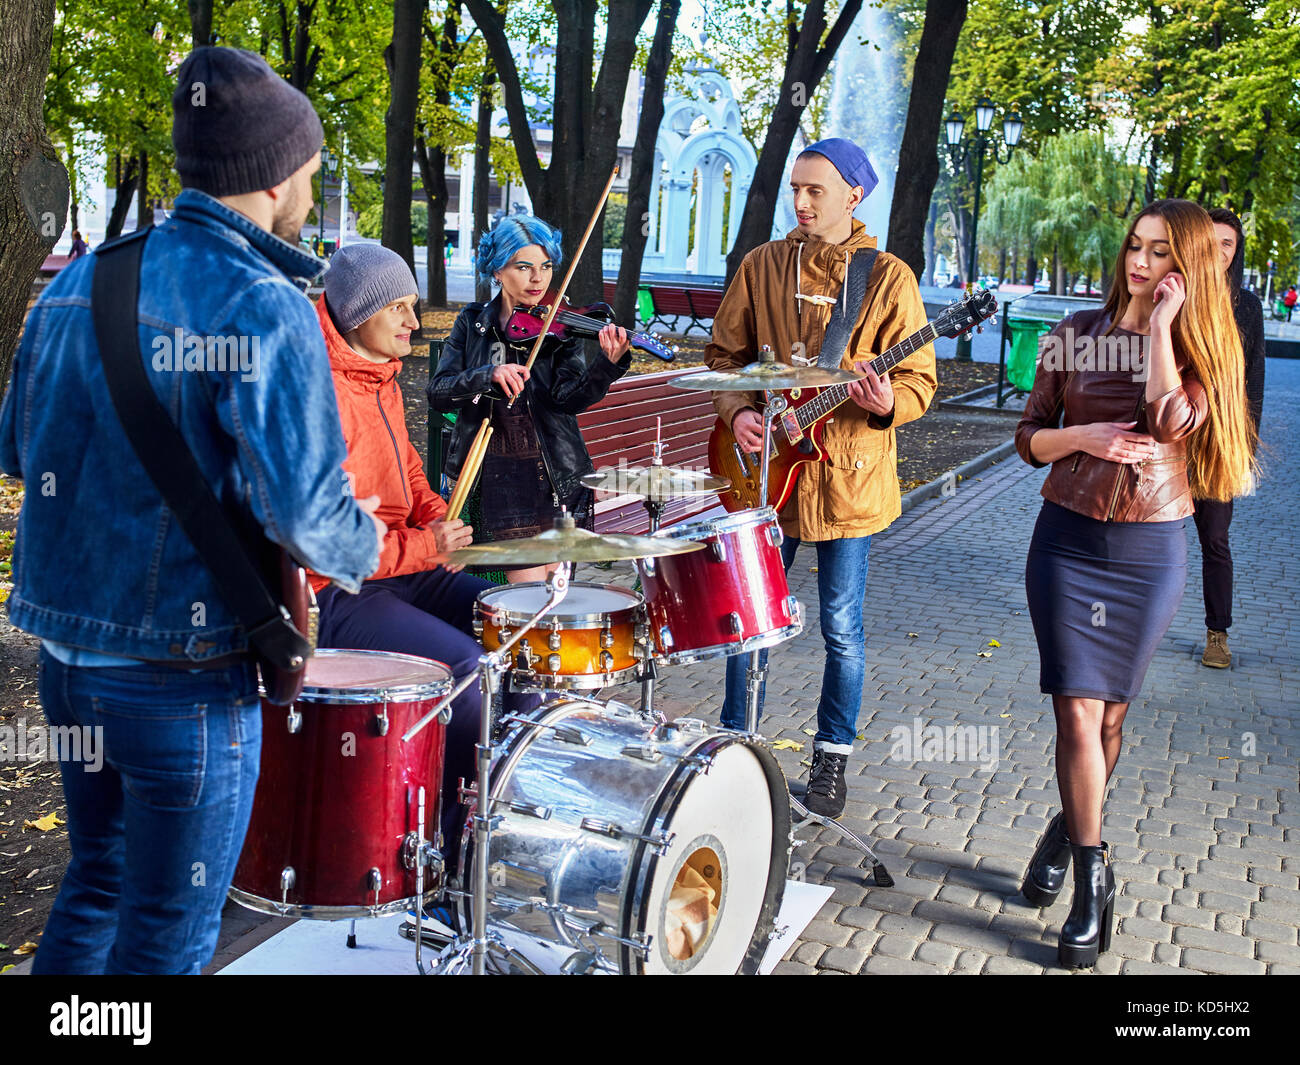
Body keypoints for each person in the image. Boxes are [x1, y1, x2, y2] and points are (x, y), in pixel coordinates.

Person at [0, 47, 385, 974]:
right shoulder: (265, 303)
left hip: (66, 666)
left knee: (95, 887)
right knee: (168, 934)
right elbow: (308, 520)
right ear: (279, 170)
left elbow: (16, 449)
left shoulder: (77, 283)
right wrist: (367, 533)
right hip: (181, 681)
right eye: (312, 166)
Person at [1014, 199, 1257, 968]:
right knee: (1077, 713)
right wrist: (1079, 436)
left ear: (1184, 268)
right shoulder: (1075, 336)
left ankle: (1065, 827)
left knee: (1112, 720)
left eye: (1159, 253)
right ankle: (1093, 883)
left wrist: (1158, 326)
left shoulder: (1206, 351)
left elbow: (1163, 419)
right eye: (1135, 248)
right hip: (1066, 540)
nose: (1139, 263)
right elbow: (1028, 438)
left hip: (1149, 550)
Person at [707, 137, 937, 818]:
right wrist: (740, 411)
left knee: (841, 626)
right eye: (796, 189)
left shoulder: (889, 277)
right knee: (748, 619)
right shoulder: (762, 265)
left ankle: (831, 758)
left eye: (816, 190)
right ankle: (734, 744)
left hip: (850, 481)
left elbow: (920, 380)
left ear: (854, 197)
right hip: (765, 473)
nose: (801, 202)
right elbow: (725, 356)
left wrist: (886, 402)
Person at [308, 242, 537, 847]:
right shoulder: (315, 391)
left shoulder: (379, 371)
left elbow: (406, 465)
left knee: (518, 628)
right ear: (361, 314)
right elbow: (326, 546)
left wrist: (439, 516)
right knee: (465, 671)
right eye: (402, 309)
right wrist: (425, 546)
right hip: (343, 589)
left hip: (406, 562)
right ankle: (451, 842)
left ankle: (514, 797)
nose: (415, 321)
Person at [428, 215, 631, 583]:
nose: (538, 279)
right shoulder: (473, 324)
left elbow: (567, 400)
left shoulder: (560, 328)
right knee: (524, 598)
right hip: (492, 482)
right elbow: (438, 393)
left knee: (551, 594)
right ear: (498, 270)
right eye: (524, 267)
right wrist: (488, 375)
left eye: (546, 266)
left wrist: (606, 365)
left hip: (551, 476)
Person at [1195, 208, 1265, 668]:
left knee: (1215, 541)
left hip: (1218, 441)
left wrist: (1246, 444)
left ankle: (1217, 634)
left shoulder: (1247, 305)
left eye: (1228, 244)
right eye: (1212, 241)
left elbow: (1253, 378)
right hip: (1168, 435)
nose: (1219, 251)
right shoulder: (1175, 290)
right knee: (1135, 535)